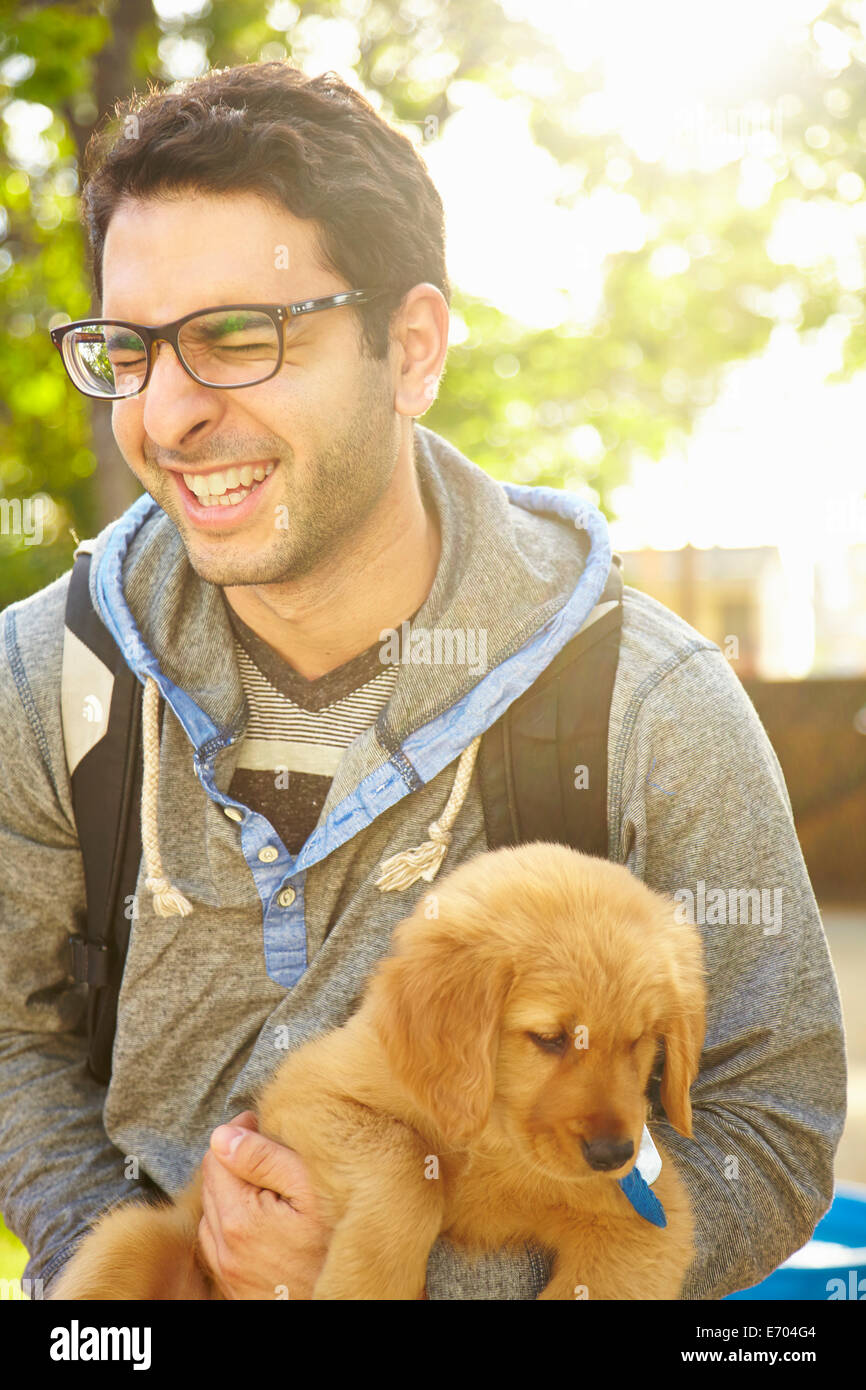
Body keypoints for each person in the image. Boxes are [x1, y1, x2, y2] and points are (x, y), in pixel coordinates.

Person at [0, 60, 845, 1301]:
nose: (166, 413)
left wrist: (406, 1282)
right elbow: (15, 1035)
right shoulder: (45, 677)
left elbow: (770, 1124)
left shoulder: (644, 705)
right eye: (129, 348)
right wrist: (127, 1285)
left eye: (238, 337)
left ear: (409, 349)